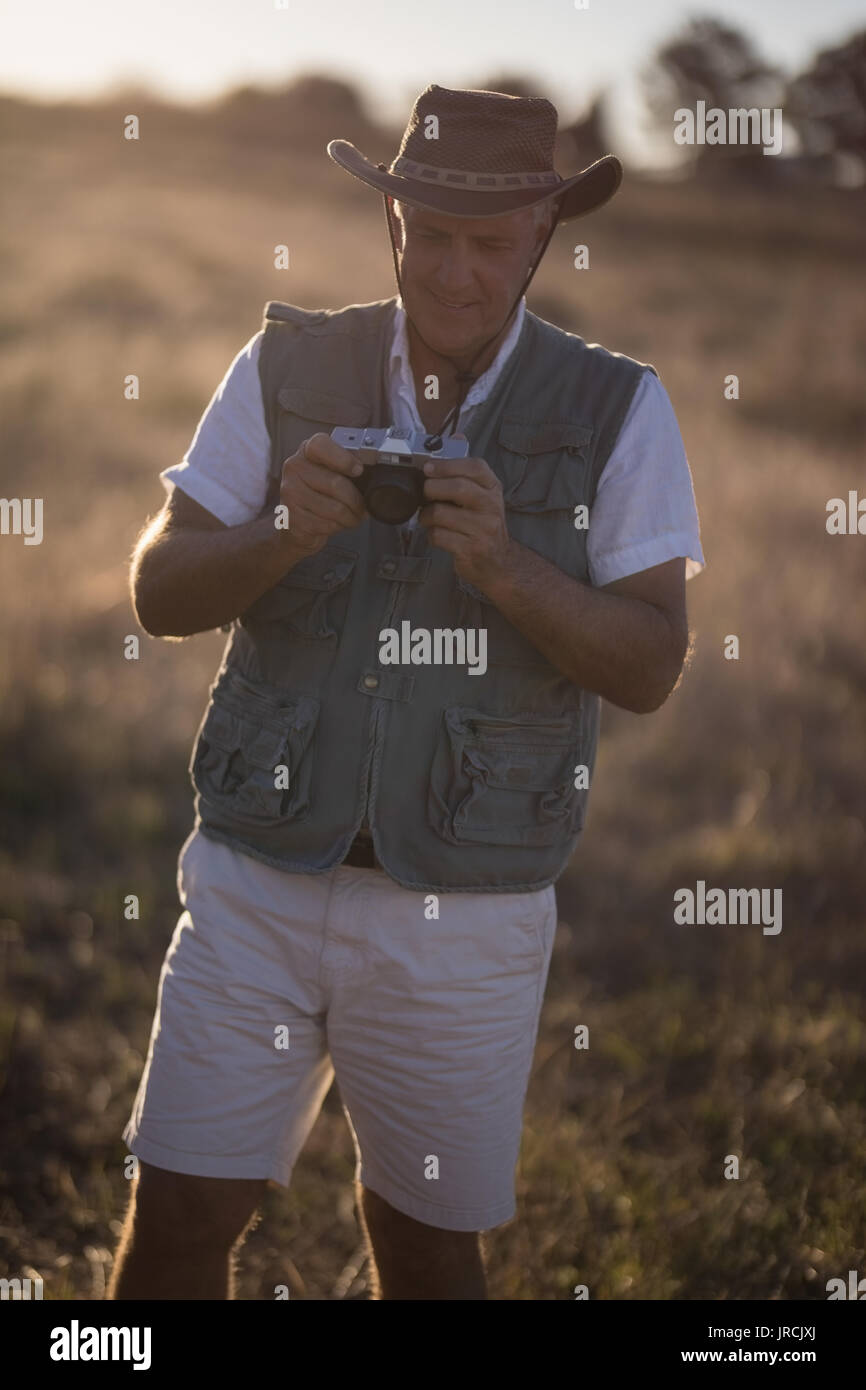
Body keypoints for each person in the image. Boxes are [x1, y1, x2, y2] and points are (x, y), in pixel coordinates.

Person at [110, 84, 704, 1302]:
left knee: (429, 1254)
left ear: (541, 234)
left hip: (467, 916)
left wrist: (503, 566)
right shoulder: (283, 362)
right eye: (425, 234)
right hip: (255, 881)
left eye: (487, 244)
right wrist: (280, 529)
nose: (451, 273)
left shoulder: (618, 406)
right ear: (388, 222)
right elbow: (159, 591)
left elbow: (650, 662)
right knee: (174, 1222)